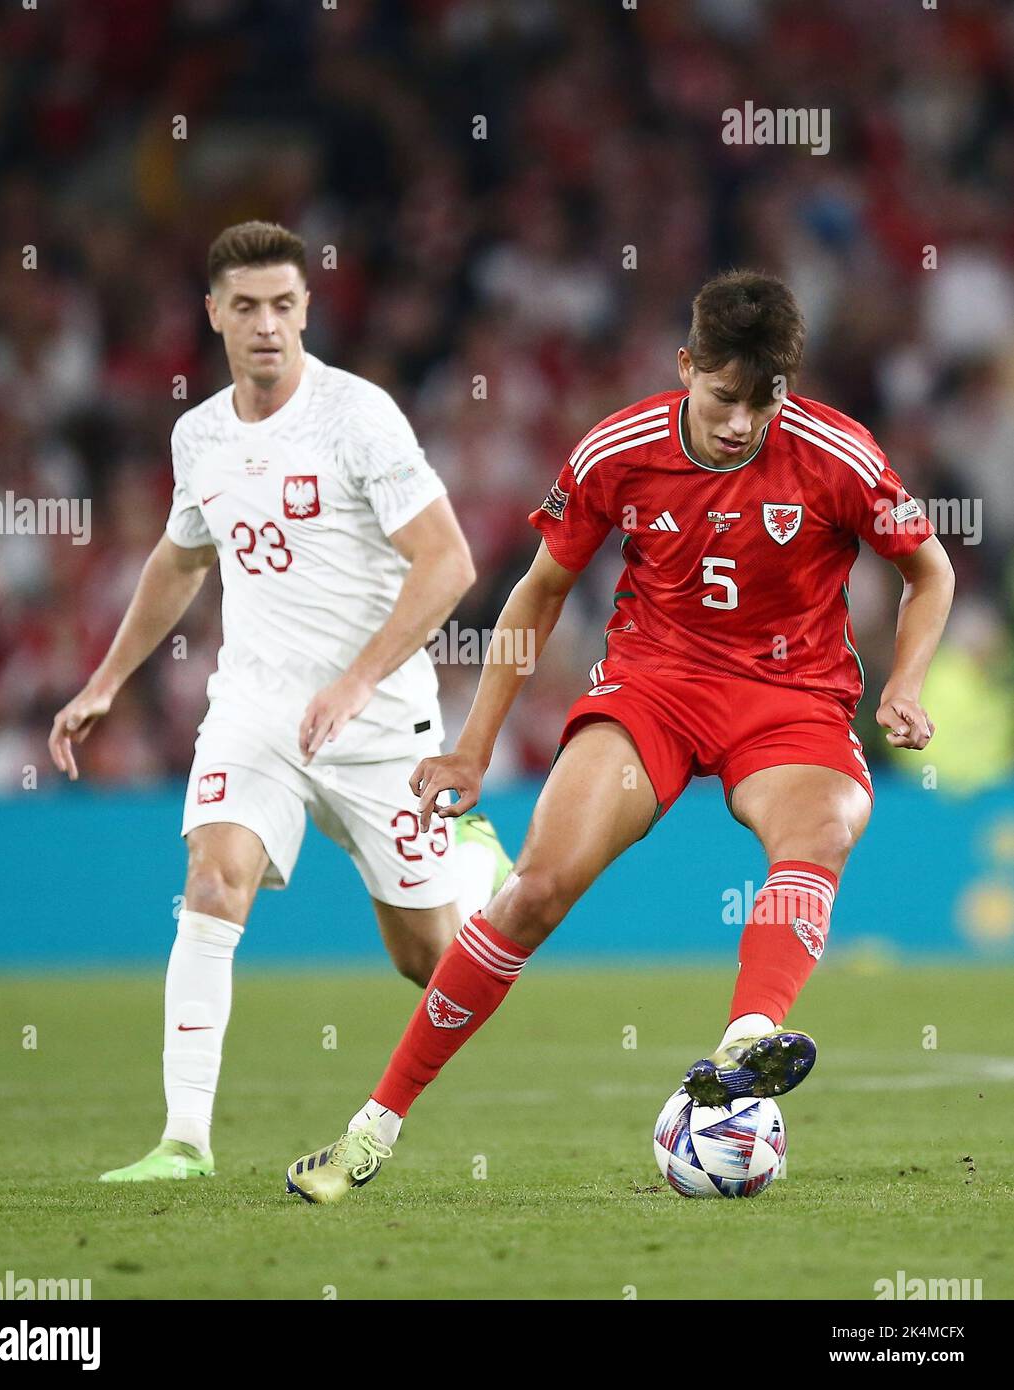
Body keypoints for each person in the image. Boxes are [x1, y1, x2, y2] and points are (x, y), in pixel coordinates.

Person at [285, 268, 954, 1205]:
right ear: (686, 367)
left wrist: (907, 682)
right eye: (722, 397)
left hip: (792, 696)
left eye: (762, 402)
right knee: (535, 891)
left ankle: (745, 1042)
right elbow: (537, 592)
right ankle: (371, 1130)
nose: (739, 423)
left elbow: (929, 571)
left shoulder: (835, 455)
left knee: (823, 829)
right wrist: (474, 743)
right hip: (656, 689)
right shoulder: (616, 453)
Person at [47, 221, 510, 1182]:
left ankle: (473, 870)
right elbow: (180, 558)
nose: (267, 325)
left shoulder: (359, 417)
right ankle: (183, 1142)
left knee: (429, 963)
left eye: (285, 305)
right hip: (256, 710)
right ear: (213, 314)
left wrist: (356, 678)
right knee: (214, 880)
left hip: (379, 724)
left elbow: (449, 562)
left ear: (307, 309)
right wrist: (105, 681)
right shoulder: (199, 433)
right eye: (247, 306)